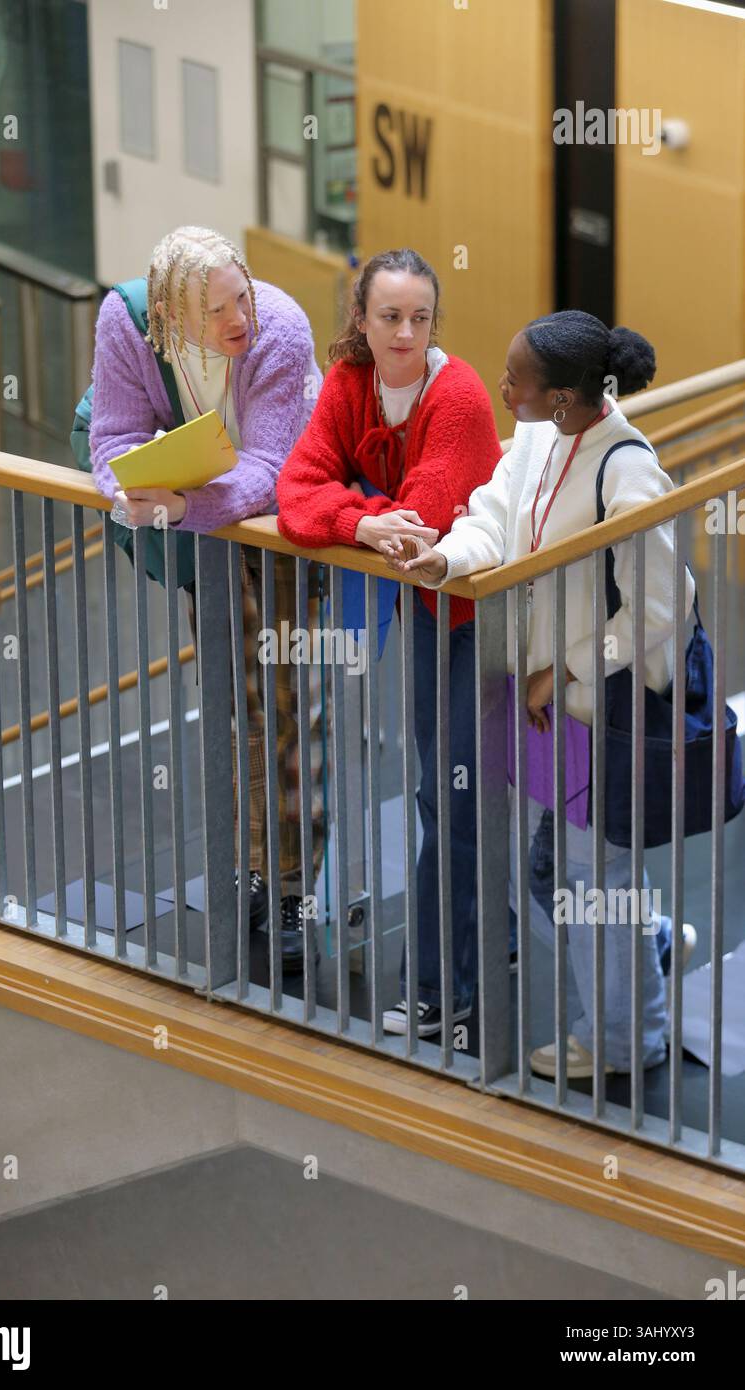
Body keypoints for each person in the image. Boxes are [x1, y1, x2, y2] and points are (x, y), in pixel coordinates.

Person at [387, 310, 698, 1076]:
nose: (500, 385)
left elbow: (665, 605)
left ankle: (629, 1041)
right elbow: (493, 515)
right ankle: (648, 949)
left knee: (589, 879)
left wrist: (563, 669)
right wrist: (446, 559)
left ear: (562, 396)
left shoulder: (625, 469)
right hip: (569, 711)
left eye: (514, 377)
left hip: (610, 710)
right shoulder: (535, 438)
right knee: (559, 874)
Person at [276, 248, 501, 1037]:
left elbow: (426, 518)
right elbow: (295, 492)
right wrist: (363, 520)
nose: (405, 334)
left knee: (458, 794)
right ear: (361, 322)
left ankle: (445, 992)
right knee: (452, 789)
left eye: (420, 318)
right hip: (429, 605)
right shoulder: (348, 384)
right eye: (389, 317)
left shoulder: (462, 398)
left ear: (435, 322)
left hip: (483, 609)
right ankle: (489, 933)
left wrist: (367, 517)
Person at [89, 225, 326, 971]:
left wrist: (182, 508)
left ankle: (292, 889)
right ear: (169, 320)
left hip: (280, 528)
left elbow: (271, 463)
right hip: (206, 527)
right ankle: (253, 866)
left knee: (287, 708)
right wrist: (131, 489)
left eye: (242, 296)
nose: (238, 321)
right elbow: (114, 438)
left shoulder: (280, 329)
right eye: (216, 311)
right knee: (234, 705)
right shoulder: (126, 325)